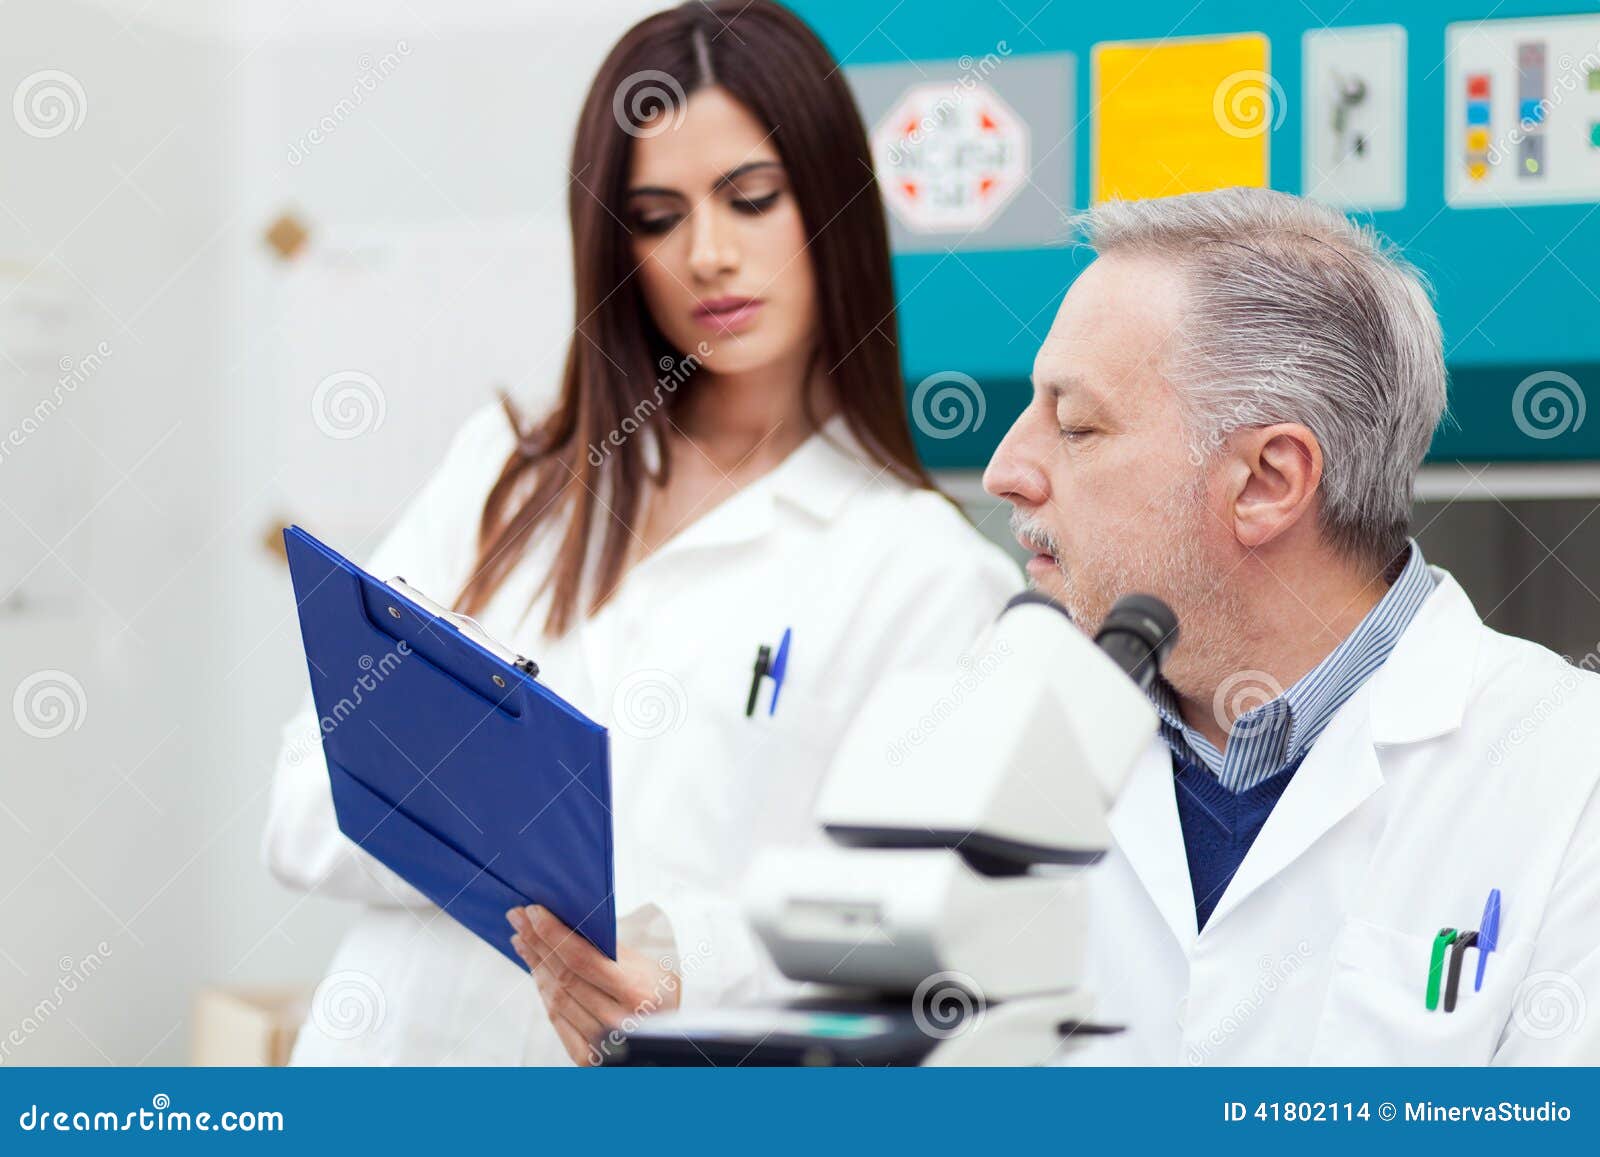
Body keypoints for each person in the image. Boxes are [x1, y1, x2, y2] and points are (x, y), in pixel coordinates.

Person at [263, 0, 1019, 1066]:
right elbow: (304, 800)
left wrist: (672, 957)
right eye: (658, 216)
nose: (709, 253)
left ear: (834, 203)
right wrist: (528, 863)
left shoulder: (925, 573)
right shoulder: (509, 471)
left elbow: (902, 941)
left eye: (751, 198)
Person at [983, 186, 1600, 1065]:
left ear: (1269, 481)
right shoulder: (994, 739)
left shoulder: (1574, 780)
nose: (1007, 469)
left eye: (1076, 425)